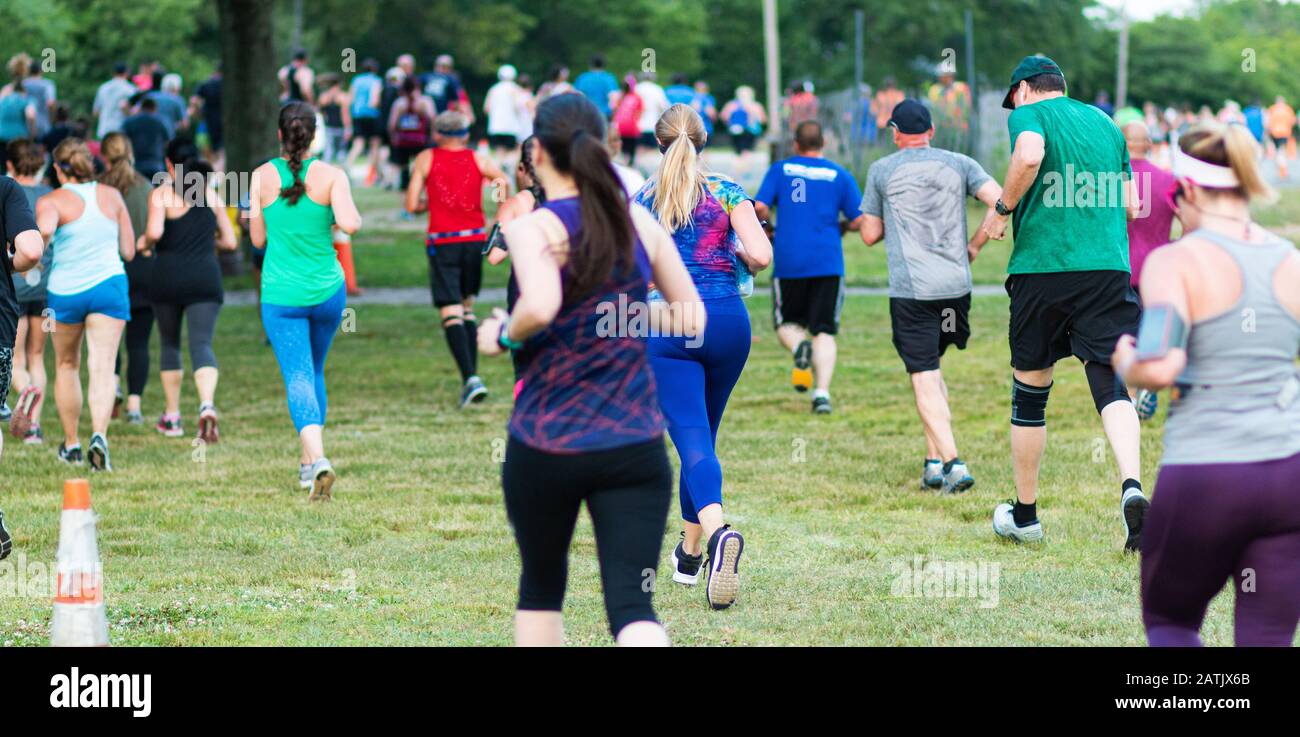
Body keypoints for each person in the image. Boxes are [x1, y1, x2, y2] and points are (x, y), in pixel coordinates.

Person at [476, 93, 704, 646]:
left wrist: (502, 332)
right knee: (632, 603)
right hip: (634, 444)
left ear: (540, 157)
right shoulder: (638, 224)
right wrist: (618, 313)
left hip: (547, 440)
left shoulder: (534, 228)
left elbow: (543, 303)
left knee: (541, 587)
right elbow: (690, 317)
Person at [1111, 123, 1300, 647]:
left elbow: (1160, 364)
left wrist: (1125, 359)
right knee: (1266, 636)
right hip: (1288, 474)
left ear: (1187, 190)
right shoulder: (1290, 259)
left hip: (1208, 472)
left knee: (1171, 623)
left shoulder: (1175, 261)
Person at [980, 56, 1146, 549]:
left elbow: (1029, 156)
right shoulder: (1107, 124)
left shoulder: (1027, 115)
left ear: (1027, 90)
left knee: (1031, 389)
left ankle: (1026, 516)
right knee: (1111, 383)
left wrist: (1003, 208)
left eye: (1015, 98)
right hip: (1107, 267)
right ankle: (1132, 488)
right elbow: (1134, 206)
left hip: (1042, 270)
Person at [633, 104, 772, 610]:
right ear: (705, 140)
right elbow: (760, 256)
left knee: (692, 441)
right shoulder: (729, 191)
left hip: (669, 322)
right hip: (728, 322)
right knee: (703, 440)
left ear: (658, 143)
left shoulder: (642, 198)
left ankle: (717, 536)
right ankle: (690, 554)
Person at [858, 101, 1001, 491]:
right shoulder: (961, 163)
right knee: (932, 370)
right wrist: (975, 246)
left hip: (913, 293)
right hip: (955, 290)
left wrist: (896, 216)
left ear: (895, 134)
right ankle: (932, 462)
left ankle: (954, 462)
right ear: (932, 131)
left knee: (923, 376)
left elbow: (869, 234)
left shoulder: (881, 170)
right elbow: (1003, 201)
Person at [249, 102, 361, 499]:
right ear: (314, 135)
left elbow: (257, 241)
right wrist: (331, 208)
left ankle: (318, 460)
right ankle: (305, 464)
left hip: (281, 295)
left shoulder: (261, 176)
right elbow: (350, 224)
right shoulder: (332, 176)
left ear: (280, 134)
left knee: (298, 375)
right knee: (313, 372)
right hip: (328, 292)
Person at [35, 138, 136, 471]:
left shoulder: (52, 200)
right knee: (103, 366)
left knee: (66, 364)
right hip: (109, 286)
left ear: (59, 170)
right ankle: (100, 435)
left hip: (65, 292)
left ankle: (72, 444)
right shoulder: (112, 195)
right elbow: (129, 251)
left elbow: (42, 236)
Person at [754, 120, 863, 415]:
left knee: (787, 324)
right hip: (827, 261)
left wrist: (768, 228)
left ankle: (798, 347)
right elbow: (857, 219)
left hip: (790, 259)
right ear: (822, 144)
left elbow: (760, 207)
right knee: (824, 331)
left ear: (796, 144)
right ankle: (822, 394)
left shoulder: (780, 170)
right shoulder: (838, 174)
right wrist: (842, 226)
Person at [405, 110, 507, 407]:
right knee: (466, 306)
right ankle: (471, 378)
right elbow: (501, 179)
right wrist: (498, 208)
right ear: (465, 134)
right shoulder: (477, 158)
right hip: (473, 239)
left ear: (437, 134)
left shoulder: (426, 158)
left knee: (450, 311)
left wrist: (429, 204)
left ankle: (470, 378)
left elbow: (411, 204)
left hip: (443, 241)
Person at [142, 138, 237, 443]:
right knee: (201, 343)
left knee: (170, 344)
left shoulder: (161, 195)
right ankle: (206, 404)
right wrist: (211, 244)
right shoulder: (211, 194)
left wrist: (142, 244)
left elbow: (155, 232)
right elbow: (231, 242)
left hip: (168, 277)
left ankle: (172, 417)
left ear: (169, 165)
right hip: (205, 278)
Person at [0, 145, 45, 559]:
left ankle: (18, 396)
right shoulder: (8, 191)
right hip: (20, 304)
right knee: (39, 355)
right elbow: (32, 251)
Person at [98, 133, 155, 427]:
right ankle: (134, 406)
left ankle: (114, 386)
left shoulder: (97, 188)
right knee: (139, 342)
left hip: (108, 269)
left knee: (109, 341)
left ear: (103, 155)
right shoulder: (147, 187)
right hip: (144, 269)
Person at [1122, 120, 1177, 422]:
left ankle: (1131, 393)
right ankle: (1148, 383)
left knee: (1124, 332)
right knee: (1152, 330)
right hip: (1158, 269)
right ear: (1150, 145)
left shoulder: (1112, 179)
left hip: (1122, 267)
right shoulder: (1167, 180)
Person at [4, 139, 50, 445]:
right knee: (38, 357)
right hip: (45, 288)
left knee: (17, 359)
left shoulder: (8, 190)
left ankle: (23, 392)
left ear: (10, 164)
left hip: (16, 287)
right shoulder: (49, 193)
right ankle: (33, 426)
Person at [387, 76, 435, 192]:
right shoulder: (424, 101)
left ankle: (405, 190)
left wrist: (393, 137)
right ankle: (420, 187)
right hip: (421, 140)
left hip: (403, 141)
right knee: (422, 165)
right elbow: (433, 118)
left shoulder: (399, 103)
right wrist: (433, 135)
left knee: (404, 168)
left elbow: (392, 124)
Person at [345, 59, 384, 186]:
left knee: (358, 144)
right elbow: (374, 99)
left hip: (357, 114)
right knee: (374, 145)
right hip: (371, 114)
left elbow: (350, 99)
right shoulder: (376, 80)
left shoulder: (356, 80)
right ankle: (372, 175)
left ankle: (347, 165)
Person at [483, 65, 530, 164]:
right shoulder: (515, 89)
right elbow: (519, 107)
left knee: (498, 153)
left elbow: (486, 109)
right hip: (511, 127)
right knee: (512, 153)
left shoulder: (493, 89)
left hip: (495, 126)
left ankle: (499, 172)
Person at [121, 96, 169, 180]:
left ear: (141, 108)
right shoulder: (161, 122)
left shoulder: (129, 122)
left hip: (135, 166)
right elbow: (167, 144)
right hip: (156, 166)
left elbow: (122, 143)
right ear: (155, 108)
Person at [0, 67, 35, 172]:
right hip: (18, 138)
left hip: (1, 136)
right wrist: (32, 134)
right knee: (18, 166)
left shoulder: (4, 98)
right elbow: (31, 116)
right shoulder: (25, 99)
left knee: (3, 166)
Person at [190, 66, 223, 171]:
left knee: (206, 157)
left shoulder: (206, 84)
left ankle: (209, 179)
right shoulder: (232, 85)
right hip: (225, 126)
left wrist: (197, 113)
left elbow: (194, 101)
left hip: (206, 125)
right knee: (220, 156)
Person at [93, 63, 137, 140]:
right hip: (121, 129)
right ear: (127, 72)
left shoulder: (103, 87)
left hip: (104, 129)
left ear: (113, 73)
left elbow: (96, 112)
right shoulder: (130, 89)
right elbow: (129, 110)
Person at [720, 86, 766, 158]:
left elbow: (724, 117)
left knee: (740, 151)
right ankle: (742, 166)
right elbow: (762, 120)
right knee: (745, 151)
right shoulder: (755, 105)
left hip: (743, 131)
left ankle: (740, 165)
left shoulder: (732, 105)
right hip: (749, 131)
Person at [634, 72, 670, 160]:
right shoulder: (657, 89)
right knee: (652, 153)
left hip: (637, 125)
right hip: (652, 125)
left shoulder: (636, 88)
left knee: (638, 151)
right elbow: (665, 107)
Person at [316, 74, 350, 164]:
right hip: (340, 128)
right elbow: (345, 114)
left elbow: (321, 112)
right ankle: (343, 174)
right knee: (341, 152)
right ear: (338, 84)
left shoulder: (323, 97)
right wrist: (348, 128)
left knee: (328, 152)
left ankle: (325, 173)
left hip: (328, 127)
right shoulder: (342, 97)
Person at [611, 75, 643, 167]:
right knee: (632, 149)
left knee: (623, 148)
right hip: (632, 127)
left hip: (620, 127)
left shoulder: (619, 97)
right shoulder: (637, 97)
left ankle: (622, 163)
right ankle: (630, 163)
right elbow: (639, 113)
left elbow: (614, 111)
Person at [573, 55, 618, 119]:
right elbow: (614, 99)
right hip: (604, 114)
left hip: (586, 114)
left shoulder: (582, 78)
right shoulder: (609, 78)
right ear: (603, 65)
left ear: (590, 65)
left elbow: (577, 97)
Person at [148, 73, 188, 138]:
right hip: (168, 138)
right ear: (177, 87)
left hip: (149, 135)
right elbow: (184, 124)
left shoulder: (150, 96)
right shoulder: (178, 100)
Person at [1265, 96, 1295, 178]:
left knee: (1277, 151)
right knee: (1281, 151)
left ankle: (1280, 169)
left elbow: (1267, 121)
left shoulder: (1272, 109)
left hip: (1274, 132)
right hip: (1284, 133)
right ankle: (1282, 171)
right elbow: (1292, 121)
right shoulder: (1288, 109)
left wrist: (1267, 132)